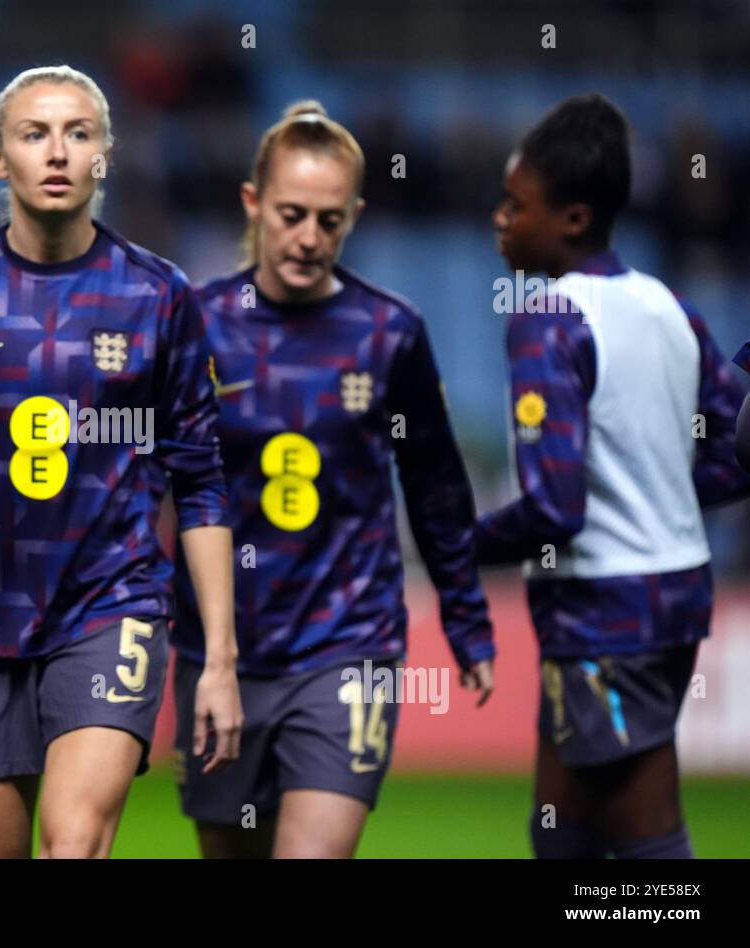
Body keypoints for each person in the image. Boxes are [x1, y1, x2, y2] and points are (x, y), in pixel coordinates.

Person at [0, 65, 243, 858]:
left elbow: (199, 483)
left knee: (72, 843)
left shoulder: (159, 296)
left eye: (78, 133)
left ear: (105, 155)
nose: (57, 151)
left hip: (110, 604)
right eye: (34, 134)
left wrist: (220, 660)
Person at [174, 101, 496, 859]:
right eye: (292, 214)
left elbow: (437, 486)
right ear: (254, 204)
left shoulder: (390, 334)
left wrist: (466, 617)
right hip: (221, 651)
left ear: (353, 216)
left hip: (350, 644)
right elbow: (148, 480)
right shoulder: (195, 326)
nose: (309, 237)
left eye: (329, 219)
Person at [478, 93, 750, 858]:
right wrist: (667, 492)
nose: (500, 218)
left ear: (571, 219)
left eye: (515, 203)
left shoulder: (547, 321)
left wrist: (454, 546)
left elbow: (554, 507)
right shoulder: (672, 309)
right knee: (561, 830)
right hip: (674, 596)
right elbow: (736, 448)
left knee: (646, 842)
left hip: (606, 615)